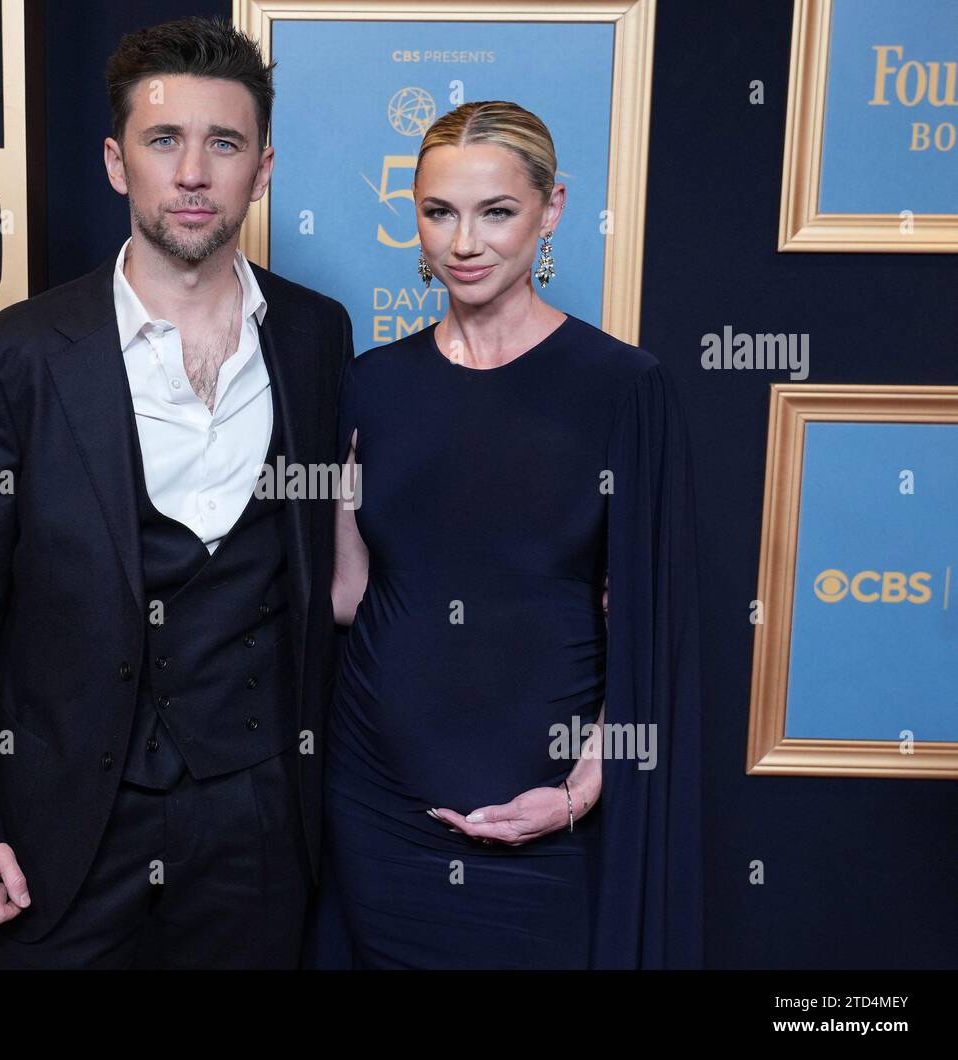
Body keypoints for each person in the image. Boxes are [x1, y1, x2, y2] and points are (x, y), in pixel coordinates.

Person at [0, 16, 352, 969]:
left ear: (261, 171)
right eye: (164, 141)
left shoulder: (316, 338)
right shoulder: (14, 357)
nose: (193, 173)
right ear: (118, 163)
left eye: (223, 143)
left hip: (258, 827)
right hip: (61, 831)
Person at [312, 101, 704, 969]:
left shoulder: (623, 389)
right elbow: (345, 597)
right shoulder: (372, 384)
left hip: (546, 808)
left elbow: (646, 623)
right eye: (439, 211)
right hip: (376, 796)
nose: (464, 242)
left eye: (497, 212)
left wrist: (579, 792)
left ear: (552, 208)